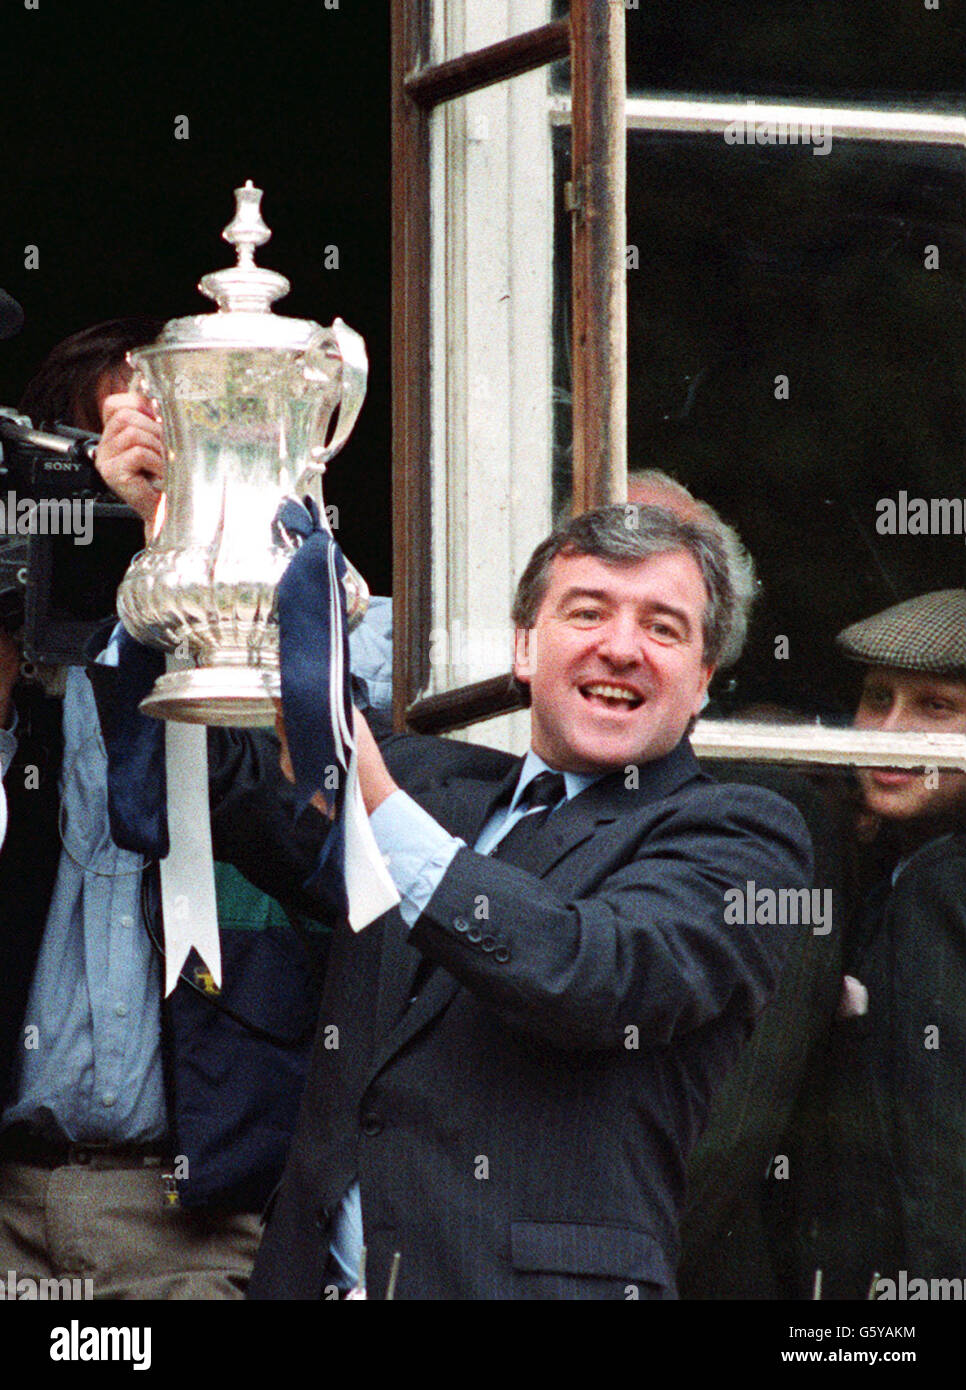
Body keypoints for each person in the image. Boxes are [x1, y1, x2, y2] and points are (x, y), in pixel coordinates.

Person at [251, 503, 814, 1300]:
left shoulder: (744, 837)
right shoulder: (428, 783)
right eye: (586, 613)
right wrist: (175, 545)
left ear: (702, 682)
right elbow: (228, 779)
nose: (620, 648)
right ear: (524, 647)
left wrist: (366, 792)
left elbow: (591, 974)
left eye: (663, 628)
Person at [0, 320, 391, 1297]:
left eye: (185, 448)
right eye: (108, 465)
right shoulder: (29, 669)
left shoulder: (335, 619)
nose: (143, 484)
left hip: (198, 1214)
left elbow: (315, 827)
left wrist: (188, 554)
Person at [798, 590, 966, 1299]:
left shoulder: (943, 887)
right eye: (876, 698)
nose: (889, 733)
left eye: (936, 708)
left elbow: (934, 1149)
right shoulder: (891, 869)